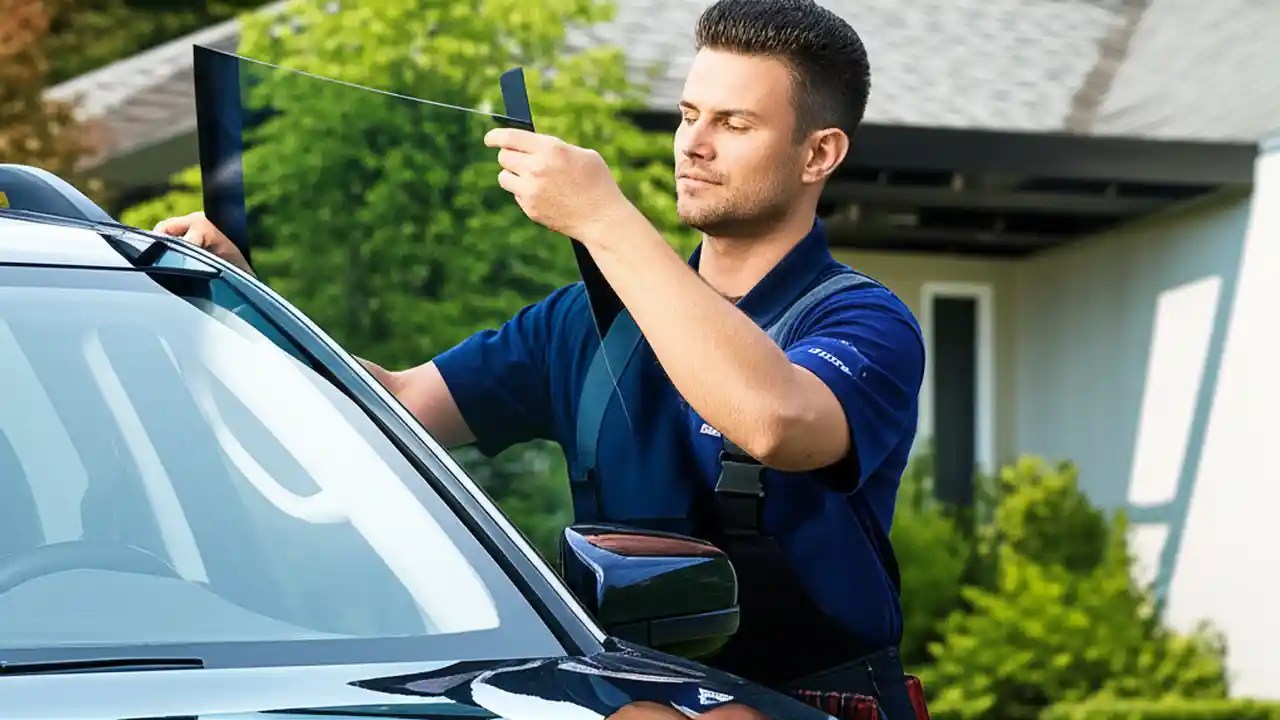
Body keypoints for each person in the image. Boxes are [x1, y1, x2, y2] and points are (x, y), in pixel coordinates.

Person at [155, 1, 926, 716]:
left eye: (734, 122)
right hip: (626, 700)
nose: (693, 142)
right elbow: (387, 410)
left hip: (803, 704)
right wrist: (250, 301)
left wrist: (603, 219)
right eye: (690, 114)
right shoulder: (579, 325)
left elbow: (776, 420)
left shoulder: (862, 322)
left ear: (818, 152)